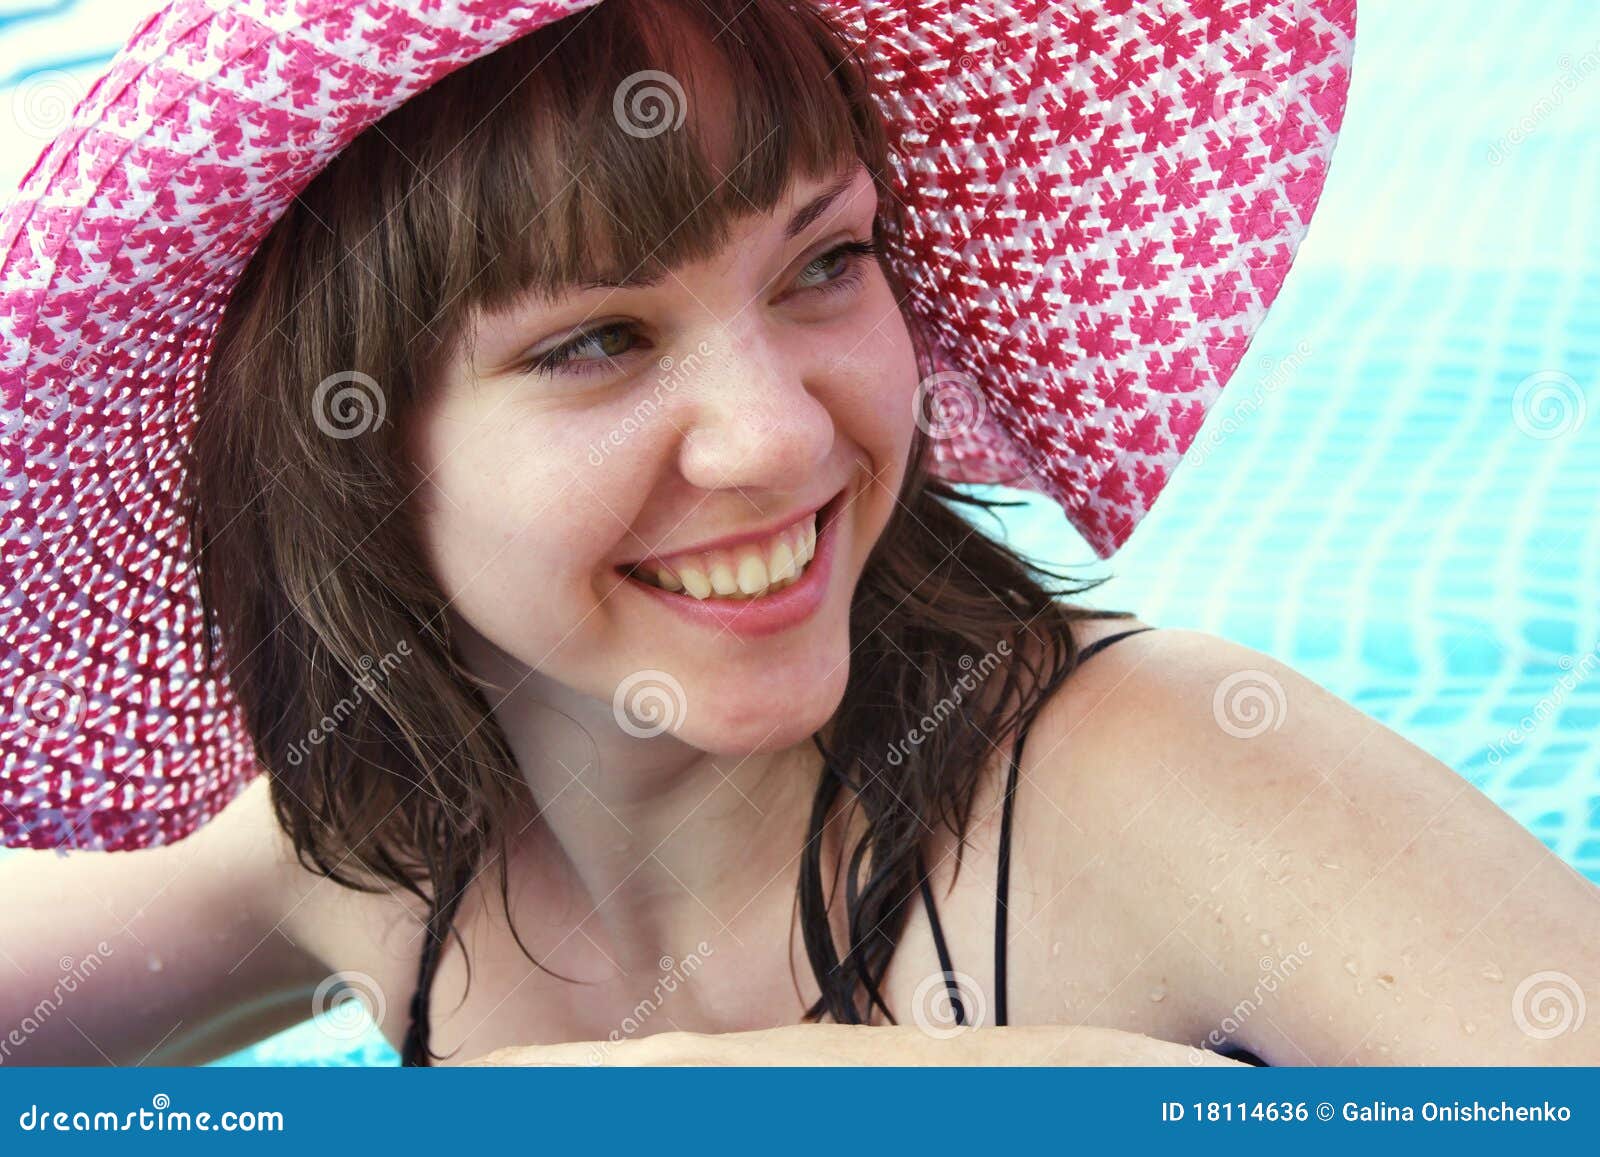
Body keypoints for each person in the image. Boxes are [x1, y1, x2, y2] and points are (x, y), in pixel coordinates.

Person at [2, 0, 1592, 1069]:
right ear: (354, 458)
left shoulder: (1157, 786)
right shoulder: (381, 854)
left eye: (824, 262)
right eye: (597, 343)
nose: (779, 434)